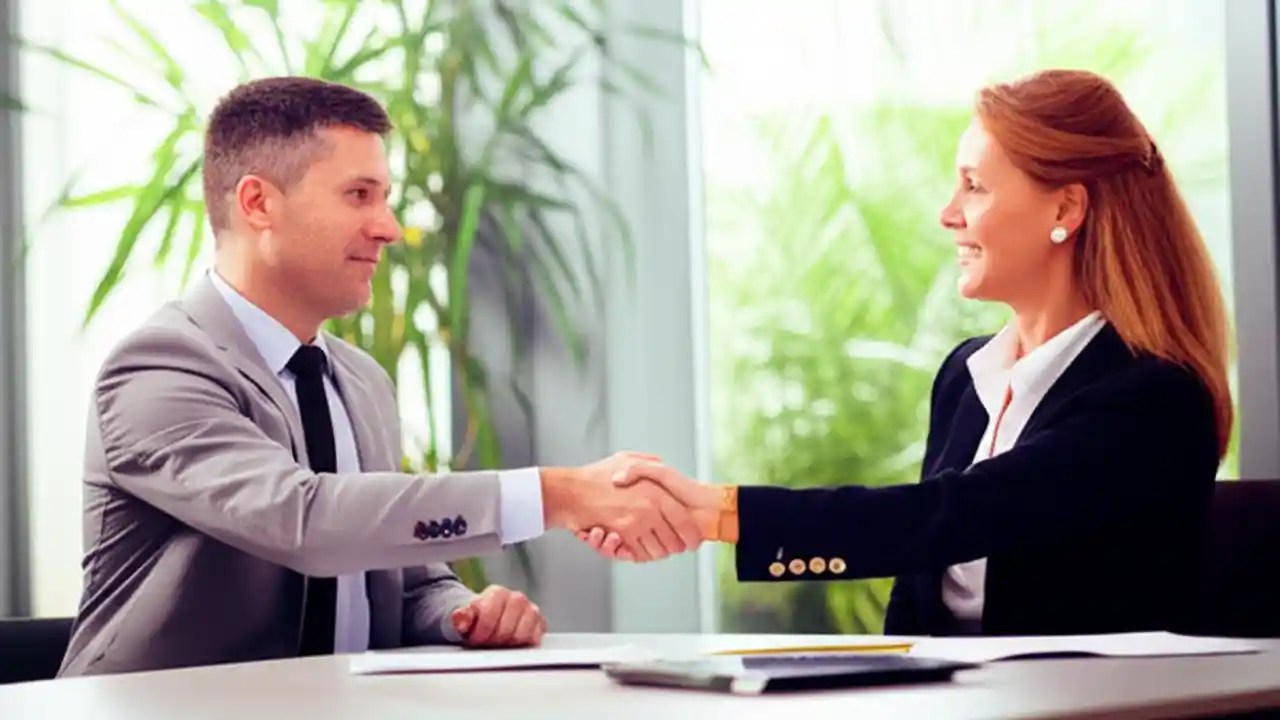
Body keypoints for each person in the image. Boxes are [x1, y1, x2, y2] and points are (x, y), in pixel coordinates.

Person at [58, 77, 700, 677]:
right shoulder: (159, 367)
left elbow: (404, 579)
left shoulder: (361, 382)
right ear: (258, 203)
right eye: (359, 195)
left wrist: (456, 613)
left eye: (384, 199)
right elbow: (302, 522)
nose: (389, 229)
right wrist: (557, 493)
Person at [583, 68, 1232, 637]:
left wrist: (720, 513)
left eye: (974, 185)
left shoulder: (1154, 399)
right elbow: (916, 592)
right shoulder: (967, 378)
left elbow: (953, 516)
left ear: (1065, 206)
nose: (948, 214)